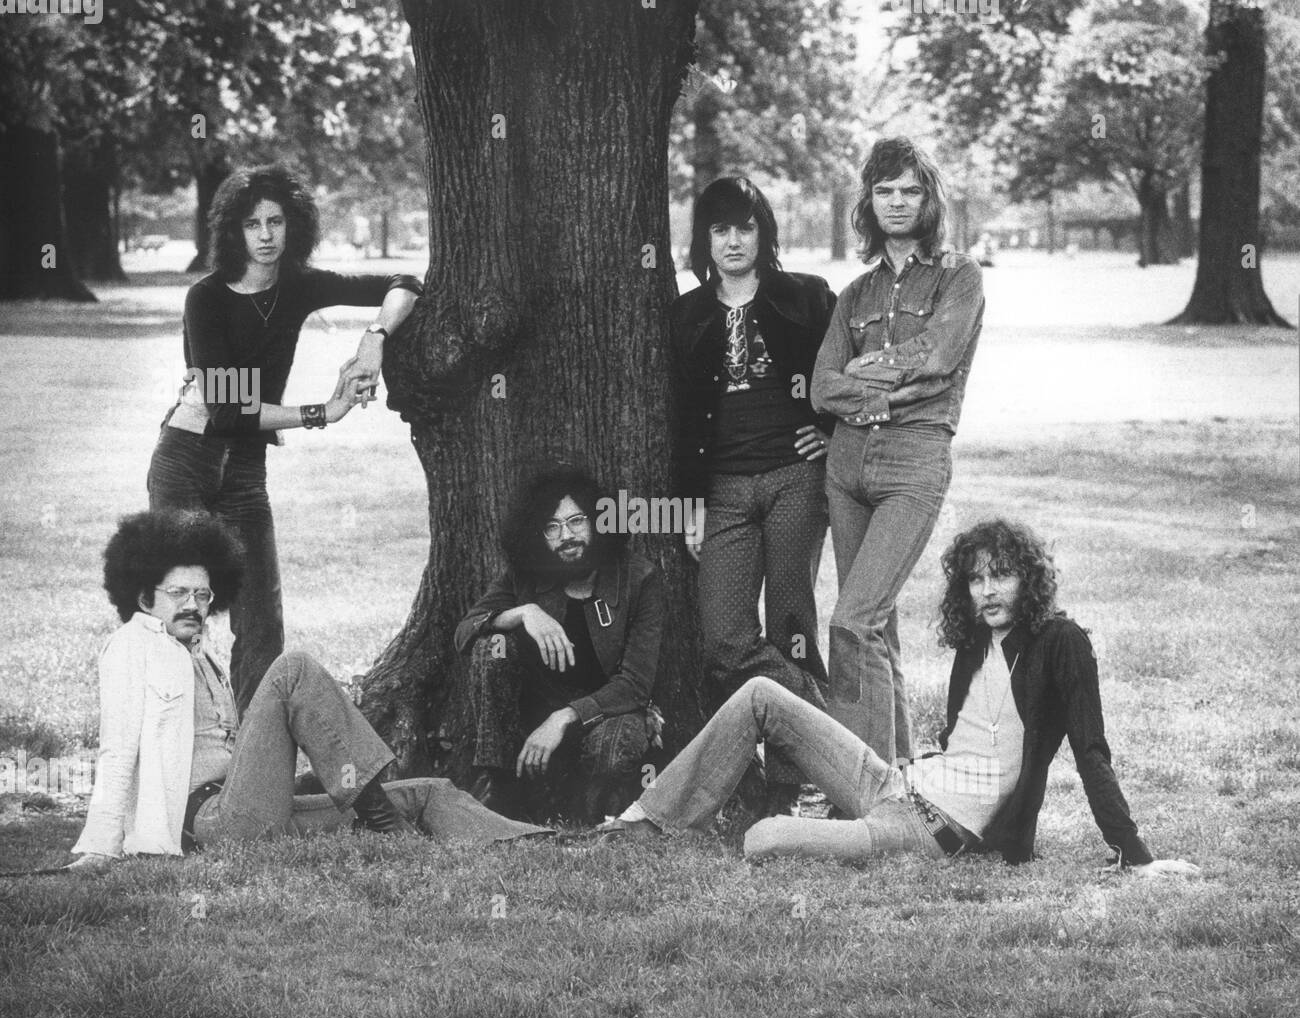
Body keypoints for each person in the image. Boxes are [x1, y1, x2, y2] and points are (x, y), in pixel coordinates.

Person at [597, 518, 1200, 879]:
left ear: (1030, 578)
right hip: (891, 782)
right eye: (975, 579)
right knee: (761, 692)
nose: (986, 591)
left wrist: (1136, 854)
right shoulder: (974, 641)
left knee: (762, 839)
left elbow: (1092, 751)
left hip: (926, 830)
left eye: (1001, 575)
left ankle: (746, 820)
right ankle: (646, 820)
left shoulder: (1062, 644)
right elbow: (957, 740)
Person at [66, 511, 545, 873]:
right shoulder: (132, 646)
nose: (193, 605)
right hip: (211, 823)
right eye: (178, 594)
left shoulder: (200, 654)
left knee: (427, 792)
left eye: (203, 594)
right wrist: (99, 847)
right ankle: (384, 824)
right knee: (293, 670)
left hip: (252, 807)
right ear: (145, 597)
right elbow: (117, 749)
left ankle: (539, 841)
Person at [147, 164, 422, 716]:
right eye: (253, 224)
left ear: (293, 225)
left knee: (262, 623)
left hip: (246, 474)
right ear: (234, 232)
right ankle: (178, 754)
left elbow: (407, 283)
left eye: (276, 221)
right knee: (180, 617)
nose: (267, 235)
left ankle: (251, 756)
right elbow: (226, 412)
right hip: (186, 463)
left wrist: (375, 339)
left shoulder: (298, 287)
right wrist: (327, 410)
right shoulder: (207, 298)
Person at [811, 138, 985, 768]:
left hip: (913, 463)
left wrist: (863, 373)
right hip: (847, 468)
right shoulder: (854, 293)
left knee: (851, 622)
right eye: (884, 190)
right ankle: (902, 774)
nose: (896, 202)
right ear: (868, 201)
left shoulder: (959, 277)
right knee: (876, 627)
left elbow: (939, 359)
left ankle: (863, 782)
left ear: (929, 198)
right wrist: (880, 384)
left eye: (909, 190)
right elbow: (821, 384)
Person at [672, 176, 837, 812]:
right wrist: (689, 503)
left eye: (745, 226)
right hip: (724, 493)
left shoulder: (805, 298)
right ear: (705, 240)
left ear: (764, 233)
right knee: (725, 639)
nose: (734, 240)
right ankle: (836, 733)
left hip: (796, 482)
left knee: (791, 622)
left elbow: (839, 371)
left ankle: (788, 786)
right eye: (720, 229)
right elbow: (683, 419)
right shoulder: (686, 317)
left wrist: (827, 432)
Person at [455, 466, 667, 824]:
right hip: (533, 711)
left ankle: (584, 807)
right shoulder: (525, 576)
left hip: (606, 709)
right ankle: (500, 788)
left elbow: (636, 684)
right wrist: (524, 612)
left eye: (576, 522)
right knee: (493, 648)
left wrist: (564, 717)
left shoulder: (640, 578)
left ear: (599, 521)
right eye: (552, 527)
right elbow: (465, 632)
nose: (566, 536)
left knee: (616, 752)